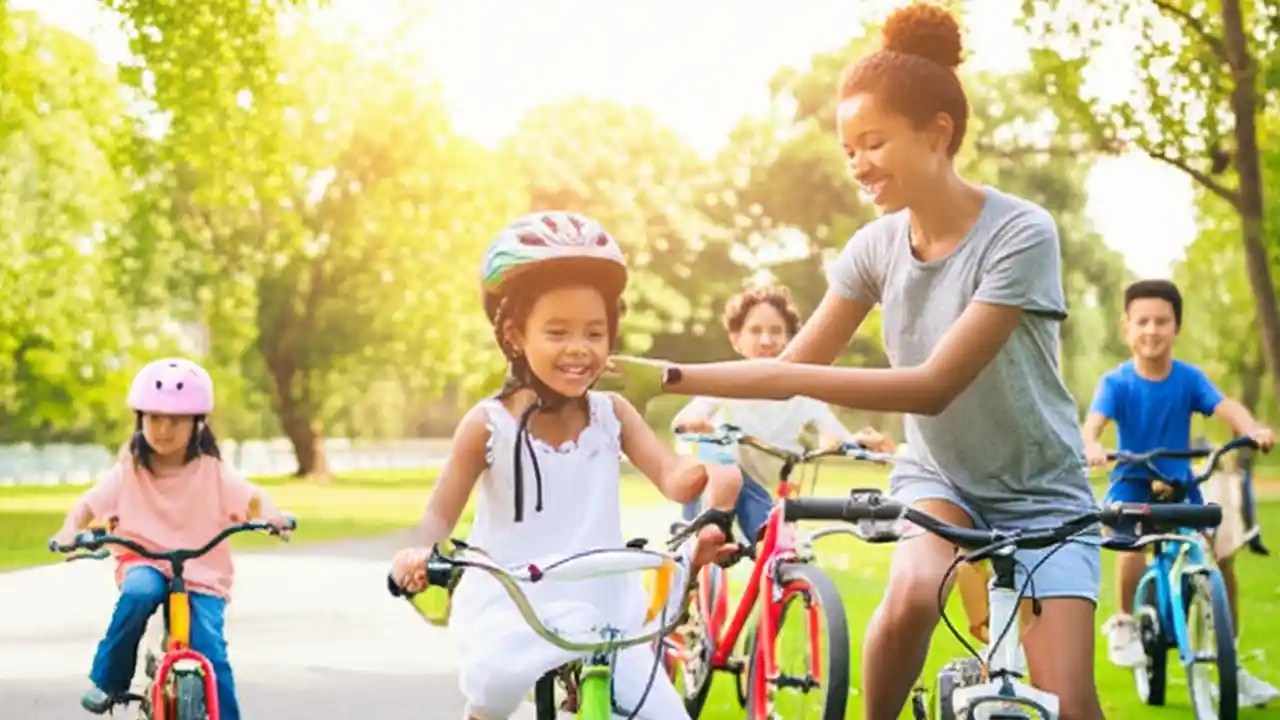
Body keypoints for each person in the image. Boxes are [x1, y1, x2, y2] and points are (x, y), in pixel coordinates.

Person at [600, 3, 1106, 717]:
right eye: (849, 151)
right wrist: (672, 376)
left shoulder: (1021, 233)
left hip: (1041, 487)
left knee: (1070, 699)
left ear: (938, 134)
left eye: (873, 142)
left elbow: (932, 388)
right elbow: (786, 377)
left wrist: (770, 379)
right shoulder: (874, 247)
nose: (859, 165)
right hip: (942, 476)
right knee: (909, 598)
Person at [388, 211, 740, 720]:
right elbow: (441, 512)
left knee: (667, 715)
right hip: (514, 604)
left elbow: (672, 475)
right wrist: (418, 550)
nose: (579, 348)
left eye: (594, 333)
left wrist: (713, 480)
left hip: (604, 606)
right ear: (514, 334)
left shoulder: (611, 414)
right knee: (494, 694)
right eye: (557, 331)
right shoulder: (488, 424)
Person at [50, 358, 290, 720]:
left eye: (175, 420)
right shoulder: (129, 470)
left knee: (211, 650)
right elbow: (89, 503)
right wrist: (70, 529)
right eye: (154, 418)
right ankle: (111, 681)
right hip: (144, 560)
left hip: (201, 570)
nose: (163, 429)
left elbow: (252, 498)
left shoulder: (213, 472)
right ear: (140, 421)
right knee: (139, 593)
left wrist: (271, 516)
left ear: (198, 424)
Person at [1083, 279, 1278, 706]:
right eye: (1143, 322)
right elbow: (1095, 422)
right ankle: (1123, 621)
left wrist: (1251, 430)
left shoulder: (1189, 379)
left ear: (1177, 327)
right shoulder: (1116, 383)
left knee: (1221, 554)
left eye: (1162, 321)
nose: (1152, 330)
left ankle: (1231, 658)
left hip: (1180, 483)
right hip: (1132, 480)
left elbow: (1225, 406)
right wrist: (1093, 444)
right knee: (1130, 541)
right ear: (1127, 329)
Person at [671, 284, 895, 542]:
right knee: (723, 509)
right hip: (722, 484)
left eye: (776, 331)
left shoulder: (801, 390)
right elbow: (685, 421)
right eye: (755, 331)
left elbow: (832, 434)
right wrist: (697, 426)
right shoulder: (727, 382)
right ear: (736, 340)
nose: (767, 341)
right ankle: (692, 565)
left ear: (790, 339)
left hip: (774, 489)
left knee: (778, 547)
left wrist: (857, 444)